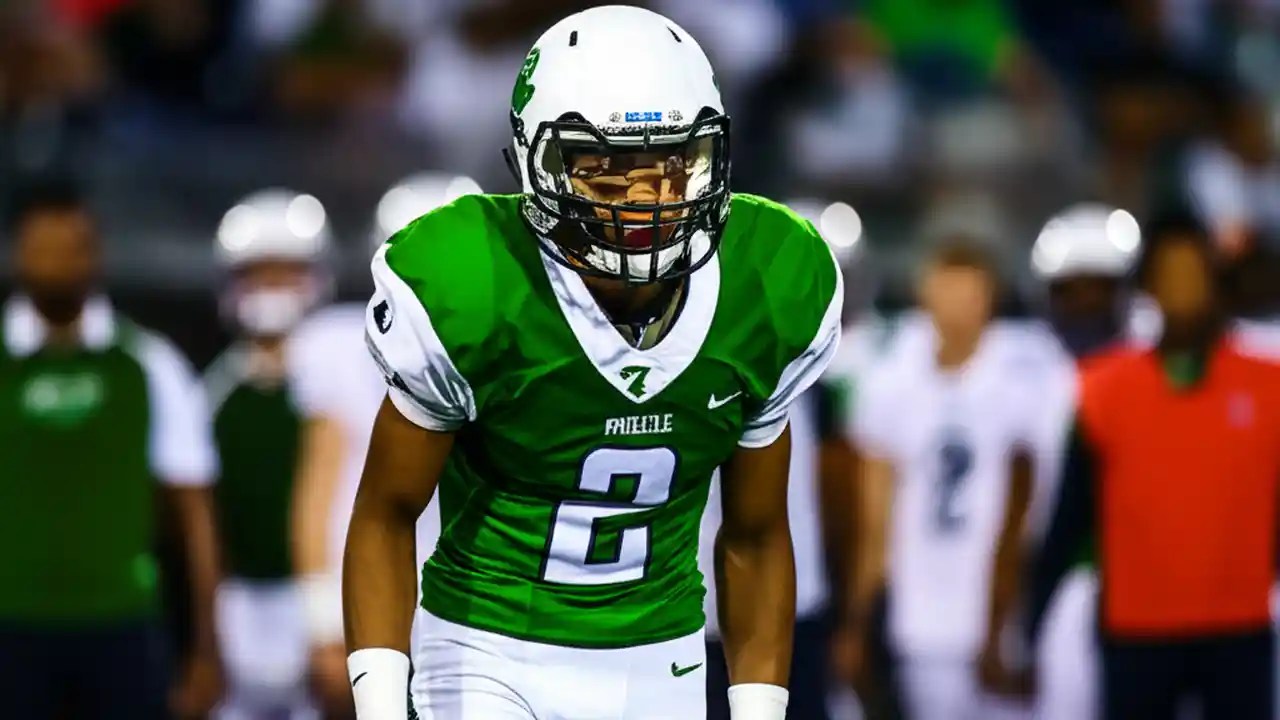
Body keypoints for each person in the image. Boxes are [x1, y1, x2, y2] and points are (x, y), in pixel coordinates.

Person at [342, 6, 843, 720]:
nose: (643, 201)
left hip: (659, 657)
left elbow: (757, 535)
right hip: (488, 653)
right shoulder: (476, 284)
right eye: (609, 172)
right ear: (538, 165)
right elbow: (386, 514)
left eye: (672, 166)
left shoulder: (768, 286)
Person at [1029, 215, 1280, 720]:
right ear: (1150, 288)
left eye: (1194, 272)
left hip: (1239, 626)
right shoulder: (1103, 391)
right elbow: (1069, 518)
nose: (1183, 288)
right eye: (1170, 274)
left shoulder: (1267, 386)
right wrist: (1029, 628)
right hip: (1136, 628)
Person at [0, 182, 222, 719]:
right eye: (41, 249)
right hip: (10, 626)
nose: (55, 264)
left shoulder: (149, 365)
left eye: (70, 249)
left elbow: (194, 514)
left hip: (123, 627)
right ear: (17, 255)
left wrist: (207, 649)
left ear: (94, 255)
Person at [291, 173, 467, 717]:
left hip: (470, 605)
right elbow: (317, 494)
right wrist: (323, 622)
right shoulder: (336, 344)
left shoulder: (509, 340)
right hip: (372, 585)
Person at [847, 240, 1038, 720]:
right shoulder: (892, 382)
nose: (955, 305)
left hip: (1003, 611)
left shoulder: (1025, 377)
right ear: (923, 294)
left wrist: (1007, 615)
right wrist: (858, 617)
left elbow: (1029, 507)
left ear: (990, 297)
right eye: (945, 289)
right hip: (923, 615)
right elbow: (875, 519)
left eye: (968, 292)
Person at [205, 189, 331, 720]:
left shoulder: (341, 381)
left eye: (286, 272)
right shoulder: (215, 393)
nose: (272, 288)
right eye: (259, 274)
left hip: (322, 593)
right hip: (241, 599)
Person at [1020, 203, 1144, 720]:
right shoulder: (1024, 370)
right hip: (1058, 580)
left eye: (1097, 288)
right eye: (1070, 290)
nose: (1084, 304)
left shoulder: (1155, 363)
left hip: (1142, 573)